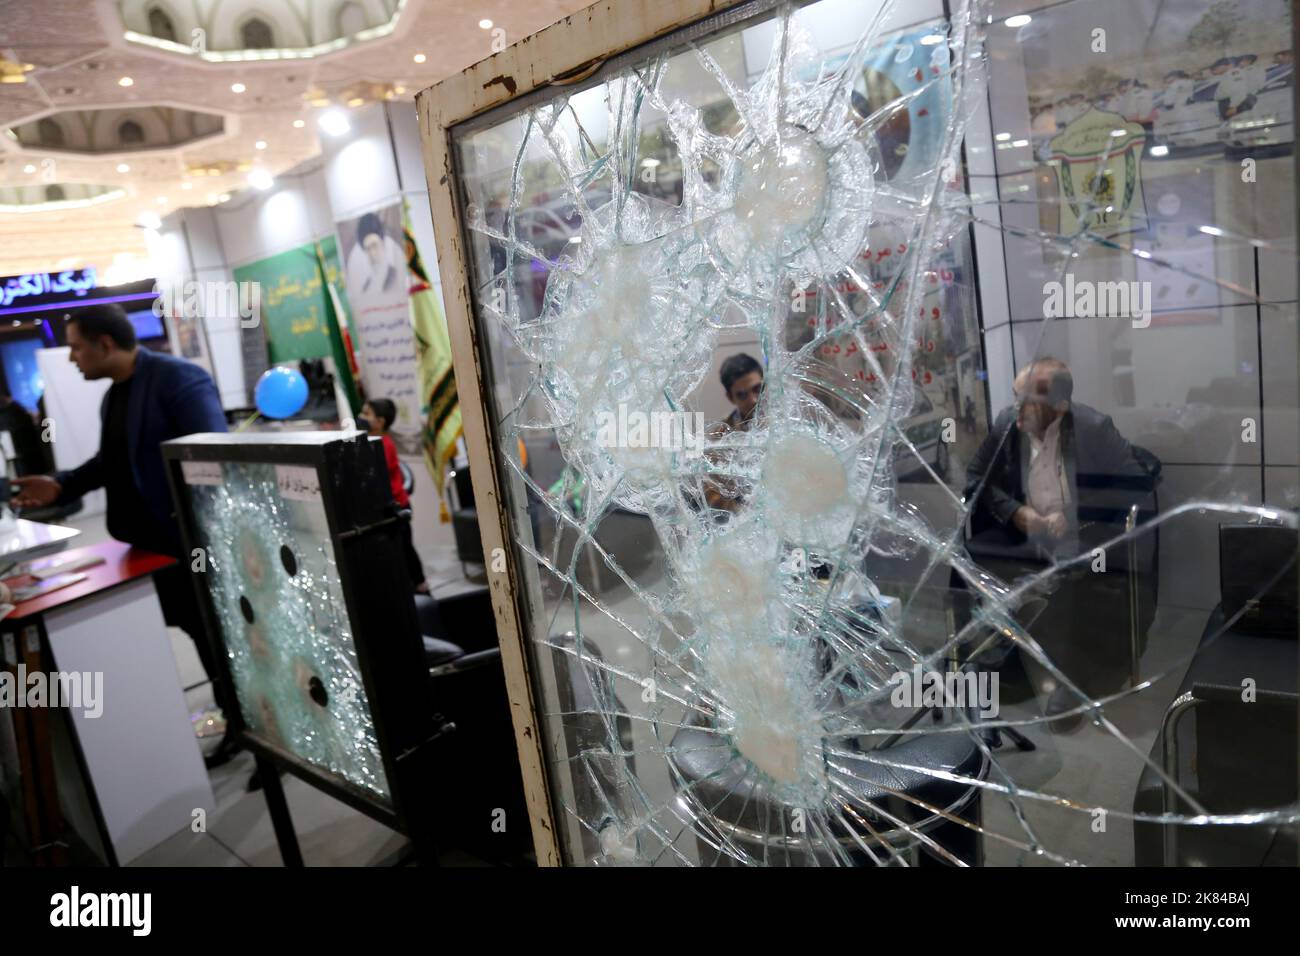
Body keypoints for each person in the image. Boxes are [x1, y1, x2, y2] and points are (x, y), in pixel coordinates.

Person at [12, 304, 232, 755]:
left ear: (104, 344)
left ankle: (249, 731)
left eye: (75, 347)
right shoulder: (116, 394)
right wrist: (60, 485)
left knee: (216, 639)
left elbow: (214, 462)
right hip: (144, 548)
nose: (71, 358)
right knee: (181, 636)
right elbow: (109, 462)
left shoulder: (178, 380)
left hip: (186, 547)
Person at [961, 358, 1161, 726]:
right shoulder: (1008, 423)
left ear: (1060, 407)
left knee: (1069, 570)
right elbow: (976, 477)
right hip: (1024, 528)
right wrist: (1016, 512)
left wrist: (1074, 514)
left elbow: (1137, 483)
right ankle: (995, 658)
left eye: (1028, 399)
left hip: (1081, 532)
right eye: (1015, 395)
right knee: (966, 555)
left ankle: (1069, 679)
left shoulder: (1091, 427)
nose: (1016, 407)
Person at [359, 398, 427, 592]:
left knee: (405, 548)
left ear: (379, 422)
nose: (361, 417)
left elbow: (373, 474)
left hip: (398, 507)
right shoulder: (371, 442)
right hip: (388, 506)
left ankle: (420, 584)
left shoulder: (383, 445)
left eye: (366, 414)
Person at [702, 353, 763, 514]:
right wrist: (741, 511)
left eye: (757, 389)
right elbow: (710, 490)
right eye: (742, 395)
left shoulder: (783, 423)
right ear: (730, 397)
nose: (753, 400)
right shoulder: (719, 437)